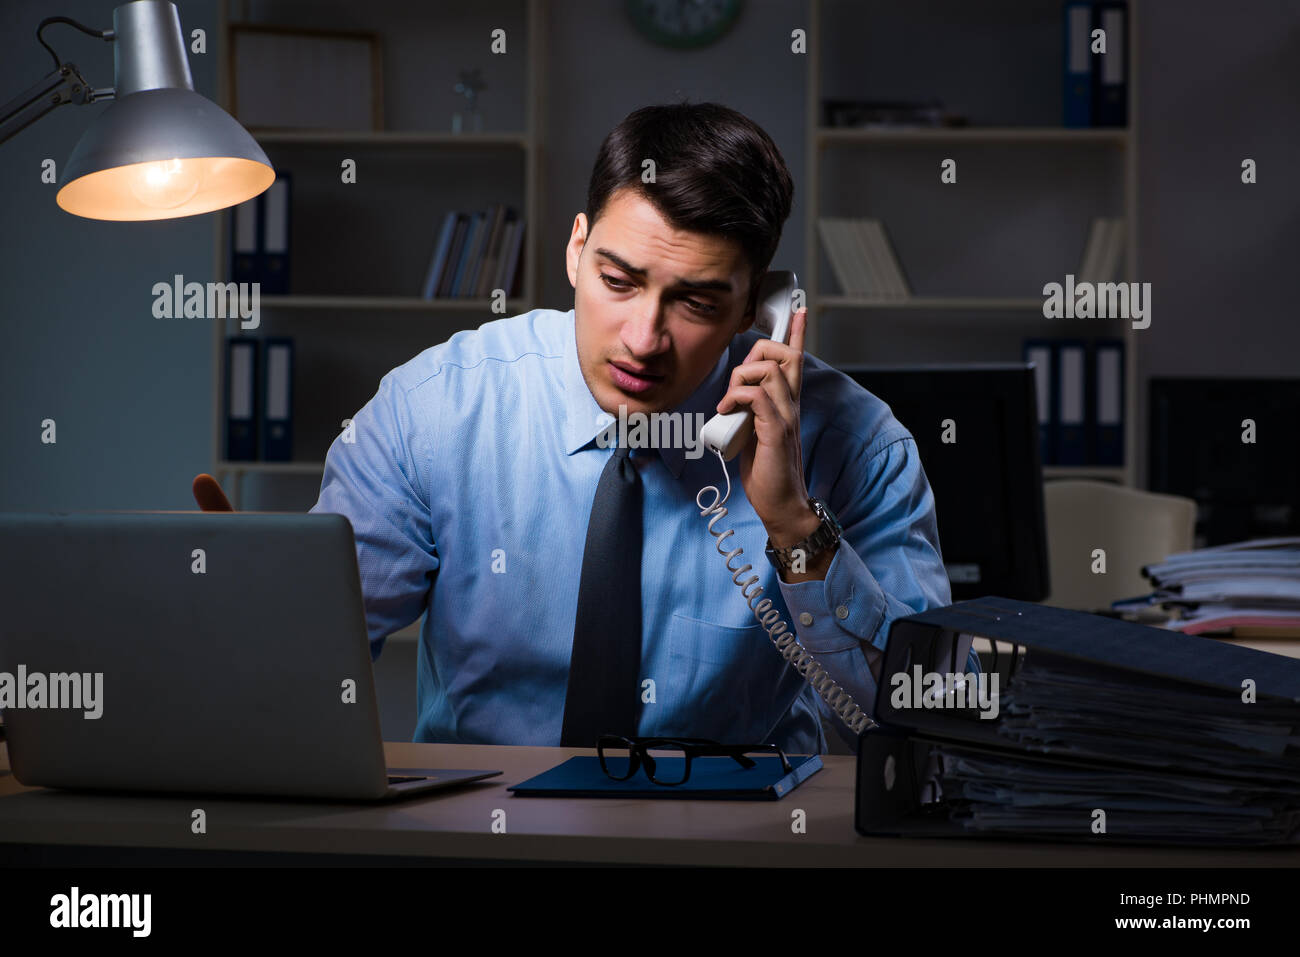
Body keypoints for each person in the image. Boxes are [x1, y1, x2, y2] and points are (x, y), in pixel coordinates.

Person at [306, 102, 964, 755]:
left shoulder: (860, 445)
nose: (644, 341)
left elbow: (928, 718)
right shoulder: (433, 410)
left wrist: (795, 526)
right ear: (576, 249)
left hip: (735, 837)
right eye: (618, 281)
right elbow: (309, 665)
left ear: (757, 310)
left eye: (697, 302)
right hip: (489, 830)